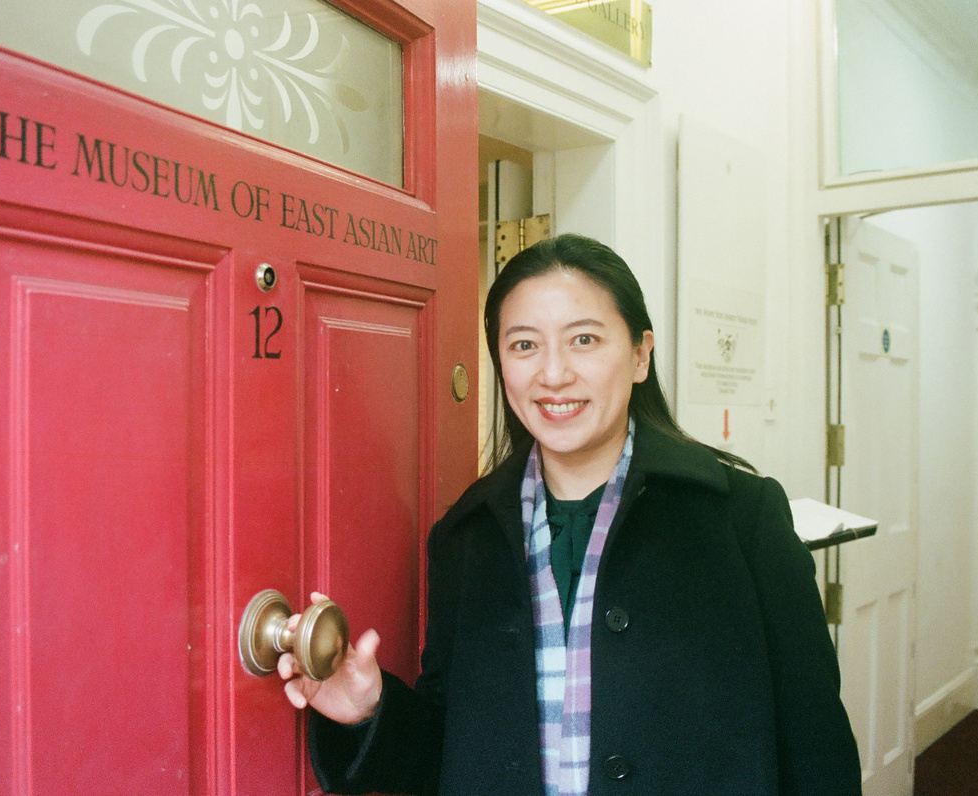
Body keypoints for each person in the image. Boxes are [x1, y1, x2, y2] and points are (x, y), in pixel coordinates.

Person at [279, 234, 862, 795]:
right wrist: (368, 711)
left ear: (639, 355)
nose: (553, 374)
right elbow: (459, 755)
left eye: (584, 340)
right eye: (524, 345)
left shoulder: (740, 519)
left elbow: (816, 746)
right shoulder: (467, 537)